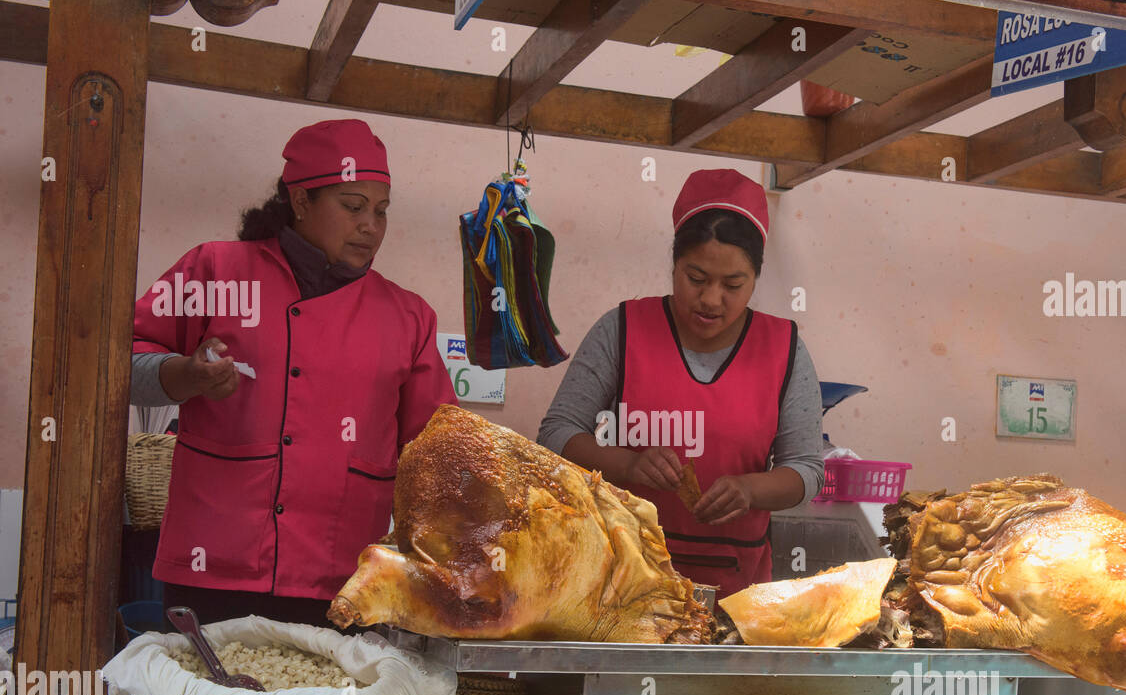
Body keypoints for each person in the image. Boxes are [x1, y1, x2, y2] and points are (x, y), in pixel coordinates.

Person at [131, 118, 457, 625]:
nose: (371, 225)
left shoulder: (409, 316)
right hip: (215, 566)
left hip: (342, 578)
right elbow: (116, 365)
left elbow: (438, 445)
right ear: (301, 202)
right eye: (353, 207)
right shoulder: (217, 271)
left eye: (381, 211)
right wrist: (182, 375)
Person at [538, 168, 823, 598]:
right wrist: (628, 465)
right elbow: (555, 435)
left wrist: (750, 489)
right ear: (674, 264)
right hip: (623, 580)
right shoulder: (623, 329)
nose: (711, 299)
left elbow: (807, 470)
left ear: (755, 279)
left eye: (732, 284)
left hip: (736, 590)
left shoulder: (784, 348)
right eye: (695, 278)